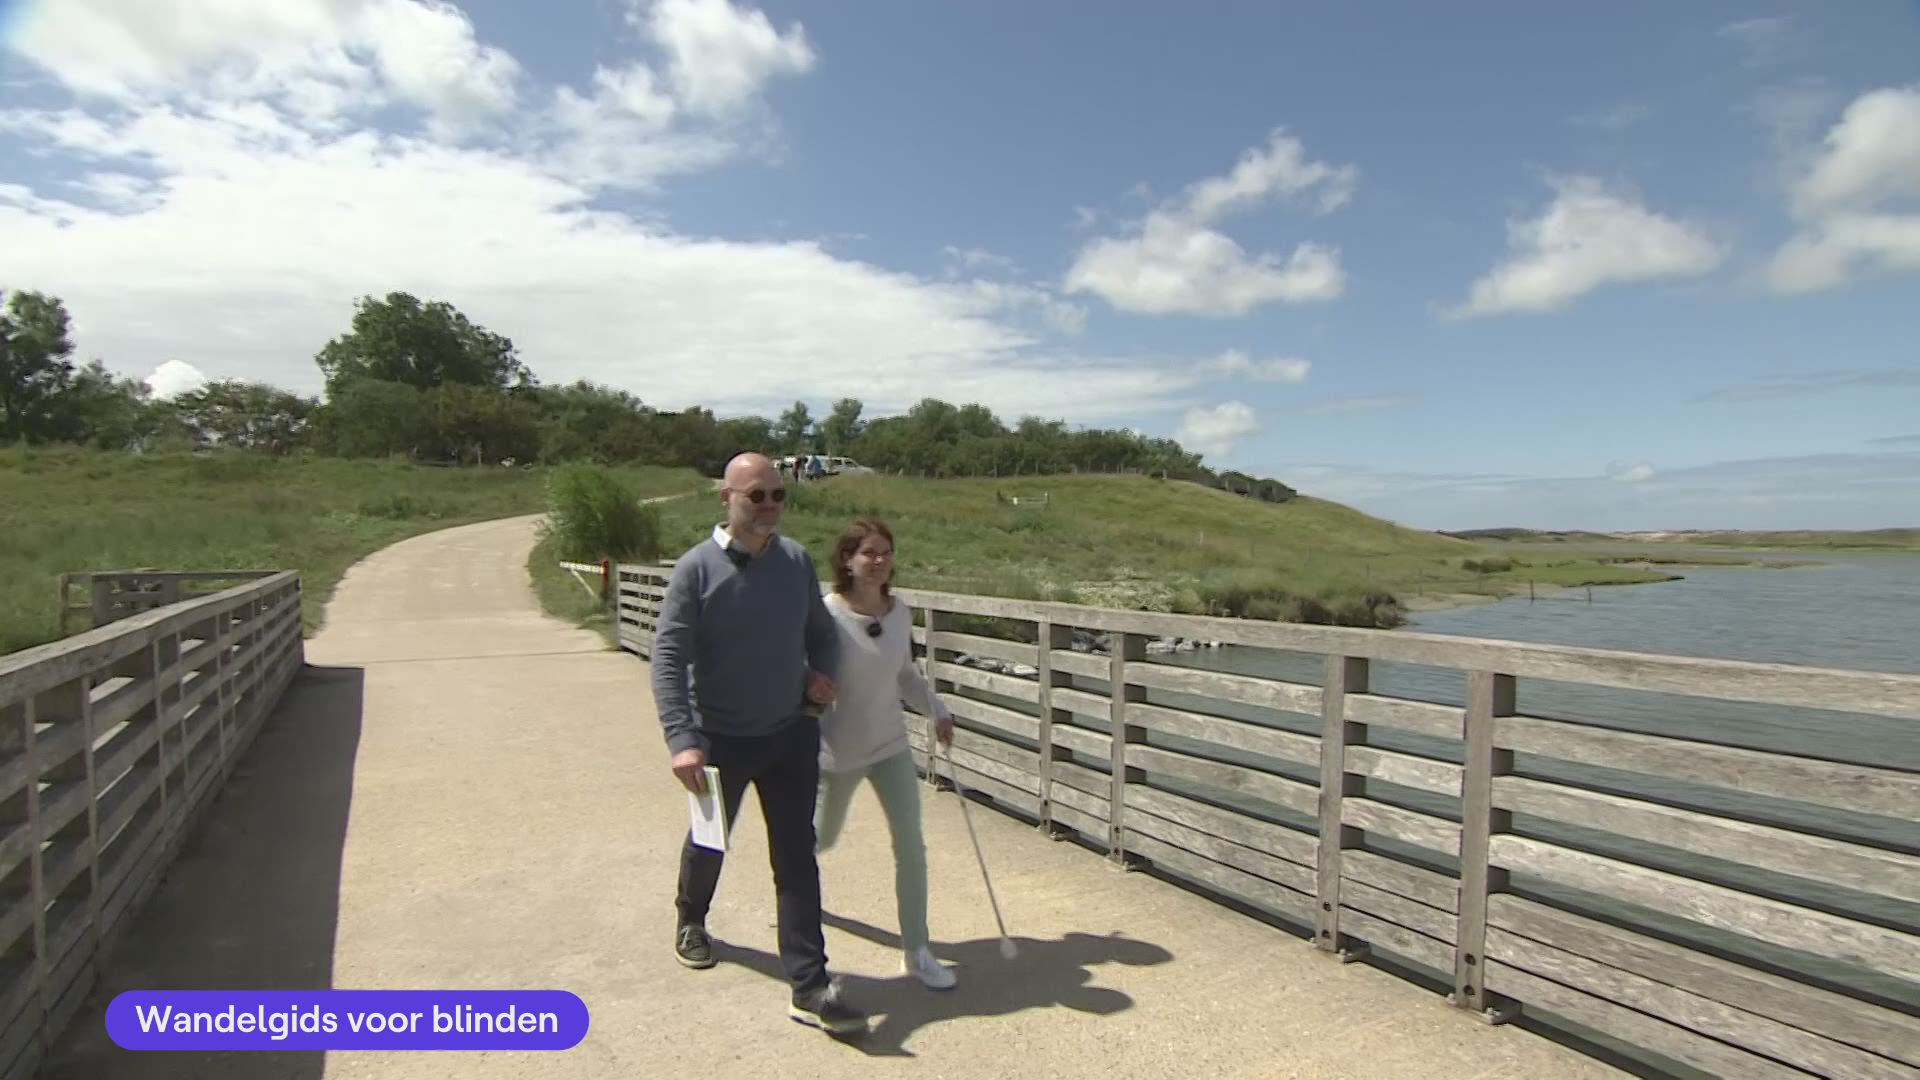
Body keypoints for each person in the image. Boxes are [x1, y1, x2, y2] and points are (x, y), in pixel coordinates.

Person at [650, 451, 867, 1036]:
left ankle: (811, 983)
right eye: (756, 496)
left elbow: (822, 635)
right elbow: (667, 659)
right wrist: (681, 738)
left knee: (796, 856)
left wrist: (820, 680)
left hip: (791, 732)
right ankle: (691, 920)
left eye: (778, 495)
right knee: (709, 840)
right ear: (727, 498)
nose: (769, 506)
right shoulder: (696, 569)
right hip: (718, 738)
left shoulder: (795, 562)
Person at [813, 516, 960, 990]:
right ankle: (795, 894)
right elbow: (802, 675)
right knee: (820, 840)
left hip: (890, 744)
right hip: (836, 751)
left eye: (885, 553)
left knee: (911, 846)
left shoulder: (900, 612)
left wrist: (936, 710)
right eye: (867, 553)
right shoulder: (825, 613)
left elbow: (903, 674)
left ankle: (917, 950)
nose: (878, 562)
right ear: (847, 560)